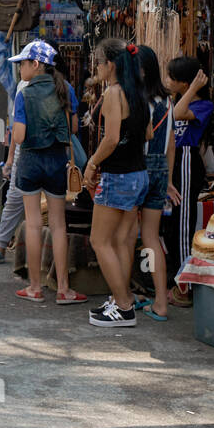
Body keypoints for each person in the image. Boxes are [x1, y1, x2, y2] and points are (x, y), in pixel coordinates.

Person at [3, 40, 85, 306]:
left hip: (30, 162)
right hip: (56, 161)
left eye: (23, 64)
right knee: (59, 225)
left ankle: (35, 287)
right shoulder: (66, 88)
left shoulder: (23, 94)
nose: (20, 70)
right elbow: (73, 127)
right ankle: (63, 289)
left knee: (34, 224)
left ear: (36, 65)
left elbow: (19, 135)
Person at [83, 39, 151, 328]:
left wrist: (92, 163)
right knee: (123, 241)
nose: (96, 66)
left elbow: (110, 139)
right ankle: (121, 299)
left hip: (118, 176)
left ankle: (123, 305)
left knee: (99, 241)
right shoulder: (138, 92)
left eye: (99, 61)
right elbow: (147, 134)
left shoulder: (113, 93)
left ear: (111, 65)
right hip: (138, 174)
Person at [120, 44, 174, 321]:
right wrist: (169, 179)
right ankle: (161, 303)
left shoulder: (133, 98)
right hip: (160, 170)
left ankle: (126, 296)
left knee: (129, 235)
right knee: (152, 238)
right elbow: (171, 144)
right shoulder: (167, 101)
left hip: (136, 167)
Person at [163, 56, 214, 308]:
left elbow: (178, 115)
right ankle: (176, 278)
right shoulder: (174, 99)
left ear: (184, 82)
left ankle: (185, 286)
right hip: (173, 161)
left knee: (183, 224)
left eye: (171, 77)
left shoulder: (204, 105)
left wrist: (193, 88)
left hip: (186, 161)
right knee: (171, 225)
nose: (166, 81)